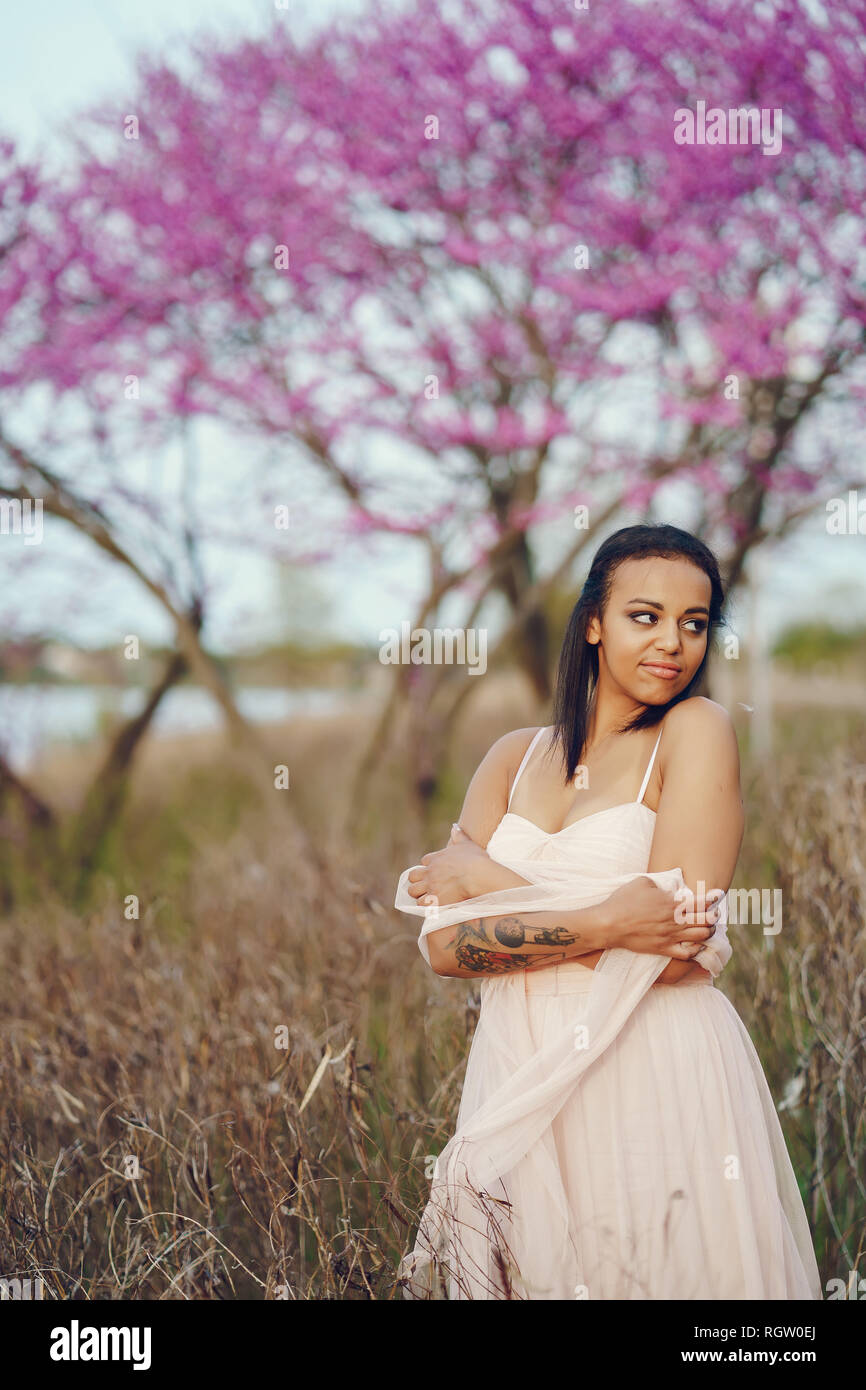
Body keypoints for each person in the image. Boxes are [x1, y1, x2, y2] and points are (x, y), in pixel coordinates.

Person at [397, 523, 821, 1300]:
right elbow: (446, 950)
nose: (673, 643)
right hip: (521, 1066)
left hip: (652, 1058)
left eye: (695, 624)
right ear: (593, 622)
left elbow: (675, 948)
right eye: (645, 616)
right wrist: (609, 922)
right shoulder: (511, 756)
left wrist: (485, 879)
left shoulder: (696, 732)